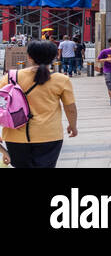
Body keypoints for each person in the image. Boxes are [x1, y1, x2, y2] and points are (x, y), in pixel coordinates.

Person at [0, 40, 77, 168]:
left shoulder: (11, 77)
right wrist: (72, 126)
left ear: (29, 56)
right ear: (54, 57)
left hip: (15, 136)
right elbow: (70, 108)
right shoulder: (61, 80)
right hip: (49, 135)